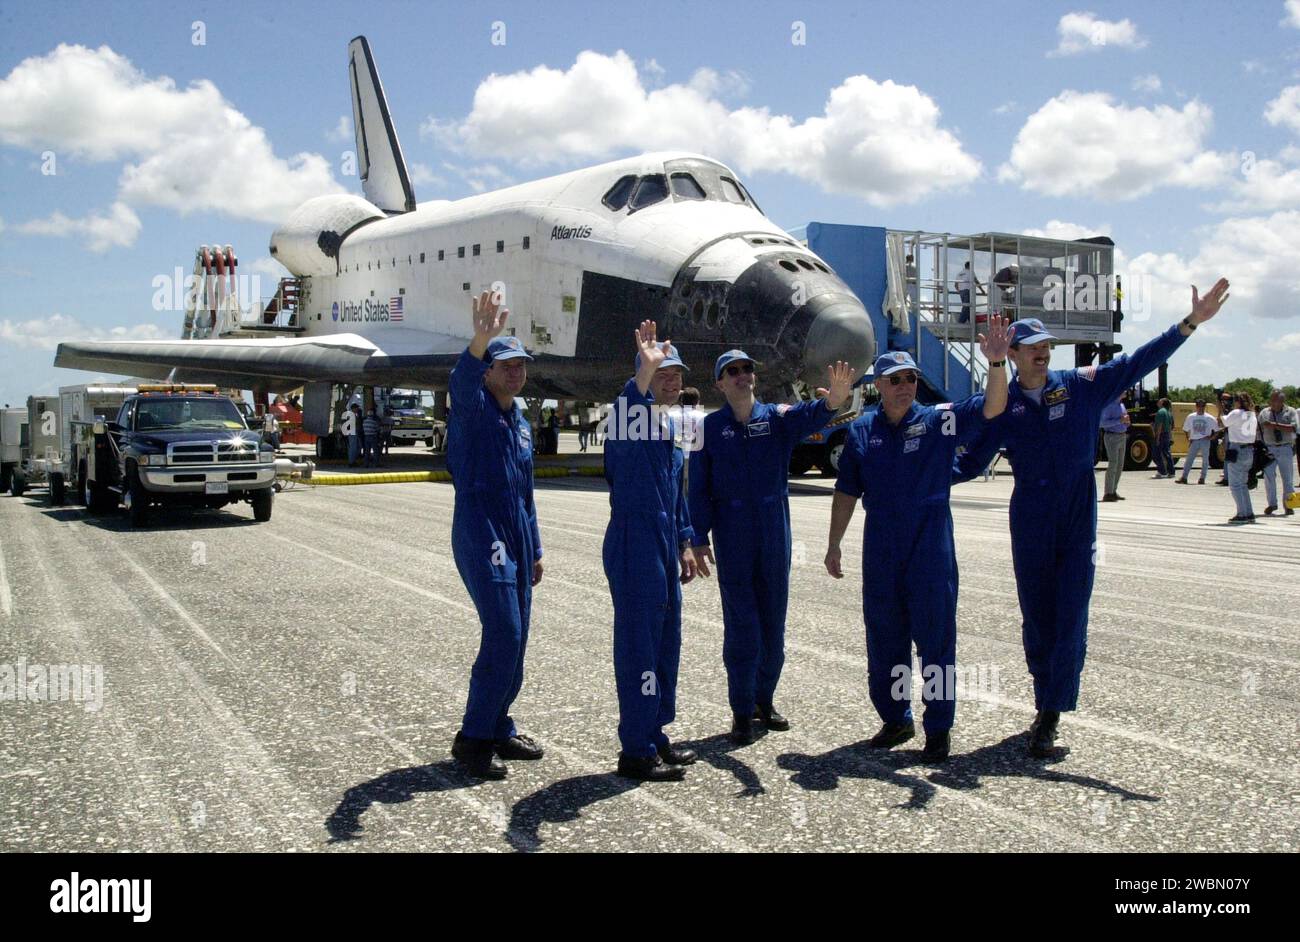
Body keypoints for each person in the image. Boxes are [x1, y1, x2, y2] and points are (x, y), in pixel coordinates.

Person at [950, 281, 1231, 757]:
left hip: (1078, 509)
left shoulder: (1082, 386)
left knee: (1071, 610)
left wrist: (1188, 324)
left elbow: (1140, 359)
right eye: (1033, 348)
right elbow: (970, 461)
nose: (1042, 353)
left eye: (1046, 347)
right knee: (1038, 613)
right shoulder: (1003, 403)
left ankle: (1052, 711)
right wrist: (915, 487)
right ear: (1013, 354)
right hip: (1031, 515)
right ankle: (1044, 700)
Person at [826, 320, 1010, 764]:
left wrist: (998, 363)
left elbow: (994, 405)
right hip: (882, 547)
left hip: (929, 547)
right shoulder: (860, 432)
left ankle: (939, 728)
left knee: (936, 640)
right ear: (879, 387)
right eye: (897, 380)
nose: (906, 385)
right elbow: (847, 490)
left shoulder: (938, 422)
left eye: (910, 378)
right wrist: (834, 544)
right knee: (885, 638)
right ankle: (895, 718)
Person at [690, 350, 855, 744]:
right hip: (733, 535)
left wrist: (833, 401)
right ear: (720, 383)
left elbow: (810, 415)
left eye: (748, 369)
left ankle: (765, 699)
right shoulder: (709, 428)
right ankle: (742, 710)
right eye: (733, 371)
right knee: (742, 627)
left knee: (773, 626)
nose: (743, 375)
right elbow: (697, 489)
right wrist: (696, 537)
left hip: (773, 533)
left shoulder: (776, 418)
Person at [447, 290, 545, 779]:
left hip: (516, 533)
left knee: (519, 634)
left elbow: (526, 492)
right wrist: (480, 339)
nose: (515, 372)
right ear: (487, 371)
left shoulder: (520, 420)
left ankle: (499, 723)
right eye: (505, 364)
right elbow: (459, 385)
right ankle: (473, 740)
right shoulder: (474, 408)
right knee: (504, 632)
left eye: (521, 365)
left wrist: (536, 548)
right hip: (480, 529)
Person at [603, 321, 702, 781]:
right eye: (664, 375)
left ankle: (656, 732)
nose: (673, 382)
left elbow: (676, 496)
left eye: (677, 375)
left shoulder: (669, 432)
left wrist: (684, 541)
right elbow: (628, 407)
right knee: (639, 647)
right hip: (634, 543)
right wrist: (643, 372)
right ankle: (636, 749)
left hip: (663, 546)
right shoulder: (627, 423)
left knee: (666, 644)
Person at [1221, 391, 1258, 522]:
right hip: (1249, 449)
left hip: (1237, 448)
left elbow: (1224, 422)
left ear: (1238, 401)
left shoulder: (1236, 413)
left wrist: (1221, 409)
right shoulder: (1252, 414)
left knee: (1235, 484)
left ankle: (1242, 513)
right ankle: (1248, 512)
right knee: (1243, 484)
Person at [1259, 391, 1297, 516]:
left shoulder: (1290, 411)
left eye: (1277, 400)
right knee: (1269, 477)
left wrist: (1274, 425)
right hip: (1269, 448)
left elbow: (1293, 427)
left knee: (1288, 478)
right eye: (1272, 400)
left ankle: (1289, 505)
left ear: (1282, 401)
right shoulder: (1264, 412)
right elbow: (1259, 429)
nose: (1274, 403)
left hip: (1285, 447)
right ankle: (1272, 504)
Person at [1178, 399, 1218, 485]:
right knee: (1189, 459)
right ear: (1196, 407)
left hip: (1205, 440)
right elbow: (1185, 429)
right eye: (1199, 406)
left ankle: (1202, 478)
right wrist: (1188, 437)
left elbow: (1217, 430)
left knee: (1205, 460)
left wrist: (1211, 437)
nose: (1201, 408)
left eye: (1202, 406)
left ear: (1205, 406)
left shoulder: (1209, 418)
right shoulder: (1191, 417)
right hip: (1194, 440)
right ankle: (1184, 477)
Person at [1099, 396, 1130, 501]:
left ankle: (1113, 490)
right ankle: (1108, 493)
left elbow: (1124, 419)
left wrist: (1126, 423)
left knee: (1120, 465)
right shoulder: (1109, 405)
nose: (1125, 391)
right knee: (1113, 464)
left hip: (1122, 435)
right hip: (1112, 436)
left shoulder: (1121, 405)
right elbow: (1102, 423)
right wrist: (1120, 420)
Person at [1151, 398, 1174, 478]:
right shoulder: (1169, 412)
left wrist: (1157, 437)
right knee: (1167, 453)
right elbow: (1171, 426)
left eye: (1160, 401)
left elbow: (1159, 425)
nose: (1158, 401)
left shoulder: (1160, 412)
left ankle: (1162, 471)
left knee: (1156, 453)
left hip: (1161, 435)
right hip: (1167, 434)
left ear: (1163, 403)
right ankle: (1171, 472)